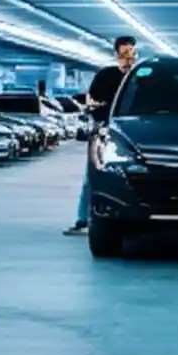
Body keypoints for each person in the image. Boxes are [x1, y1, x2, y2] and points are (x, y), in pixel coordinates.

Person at [63, 35, 137, 235]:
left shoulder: (139, 76)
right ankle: (82, 220)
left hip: (132, 132)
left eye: (131, 52)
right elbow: (92, 102)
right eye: (124, 53)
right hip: (105, 131)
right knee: (93, 174)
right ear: (117, 54)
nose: (129, 57)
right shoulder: (105, 76)